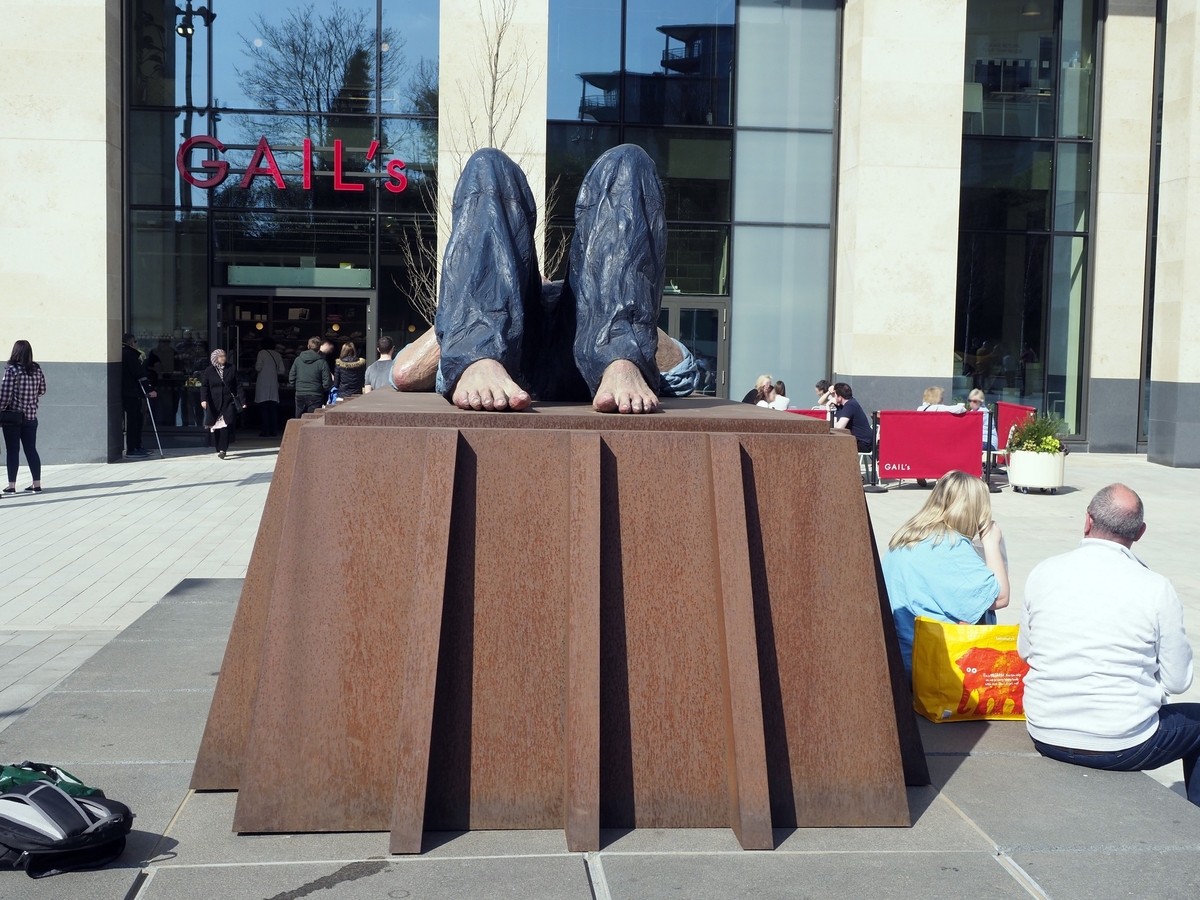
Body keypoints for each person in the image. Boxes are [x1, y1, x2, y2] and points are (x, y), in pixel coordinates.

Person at [392, 145, 693, 414]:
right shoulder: (513, 303)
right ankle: (479, 359)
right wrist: (470, 312)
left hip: (593, 354)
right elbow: (405, 373)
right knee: (487, 165)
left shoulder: (581, 300)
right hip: (510, 354)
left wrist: (603, 306)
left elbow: (682, 370)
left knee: (628, 161)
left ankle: (620, 361)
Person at [1019, 484, 1200, 807]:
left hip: (1045, 732)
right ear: (1140, 533)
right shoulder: (1156, 587)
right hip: (1122, 744)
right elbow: (1178, 681)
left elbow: (1026, 651)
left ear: (1087, 521)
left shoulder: (1043, 571)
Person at [882, 470, 1010, 674]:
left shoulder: (907, 536)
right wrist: (990, 542)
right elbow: (1000, 597)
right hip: (931, 668)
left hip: (898, 653)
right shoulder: (949, 545)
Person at [0, 340, 47, 494]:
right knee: (31, 449)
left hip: (13, 417)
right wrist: (31, 398)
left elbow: (5, 394)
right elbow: (42, 390)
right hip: (31, 416)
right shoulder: (37, 369)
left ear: (15, 352)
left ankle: (12, 485)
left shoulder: (12, 370)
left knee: (12, 450)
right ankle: (36, 484)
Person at [200, 349, 246, 460]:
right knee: (216, 426)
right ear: (215, 358)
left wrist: (243, 401)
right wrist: (203, 400)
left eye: (224, 356)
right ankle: (218, 447)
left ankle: (223, 450)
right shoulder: (209, 370)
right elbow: (204, 386)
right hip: (214, 402)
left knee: (225, 425)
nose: (223, 358)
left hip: (228, 401)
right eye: (220, 356)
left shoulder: (231, 368)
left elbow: (238, 385)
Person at [121, 334, 158, 458]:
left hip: (127, 391)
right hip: (131, 391)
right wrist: (149, 390)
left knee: (137, 417)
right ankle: (132, 448)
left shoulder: (122, 353)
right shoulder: (130, 354)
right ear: (132, 343)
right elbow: (139, 374)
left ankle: (136, 446)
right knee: (135, 419)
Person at [289, 336, 332, 418]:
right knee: (313, 419)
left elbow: (291, 378)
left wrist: (298, 386)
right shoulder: (322, 362)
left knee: (299, 419)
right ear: (319, 348)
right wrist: (320, 389)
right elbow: (327, 382)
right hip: (316, 395)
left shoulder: (298, 360)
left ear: (308, 346)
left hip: (300, 393)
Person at [254, 343, 286, 437]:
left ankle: (266, 430)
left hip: (263, 383)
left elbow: (258, 368)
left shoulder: (261, 353)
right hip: (273, 383)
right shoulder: (277, 354)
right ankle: (274, 430)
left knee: (264, 409)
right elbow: (282, 370)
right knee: (273, 409)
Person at [831, 383, 873, 452]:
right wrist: (830, 407)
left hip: (862, 443)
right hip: (854, 440)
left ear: (840, 397)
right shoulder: (843, 406)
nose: (833, 397)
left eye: (834, 395)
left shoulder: (850, 405)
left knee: (832, 445)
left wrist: (833, 424)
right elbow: (832, 424)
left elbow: (839, 427)